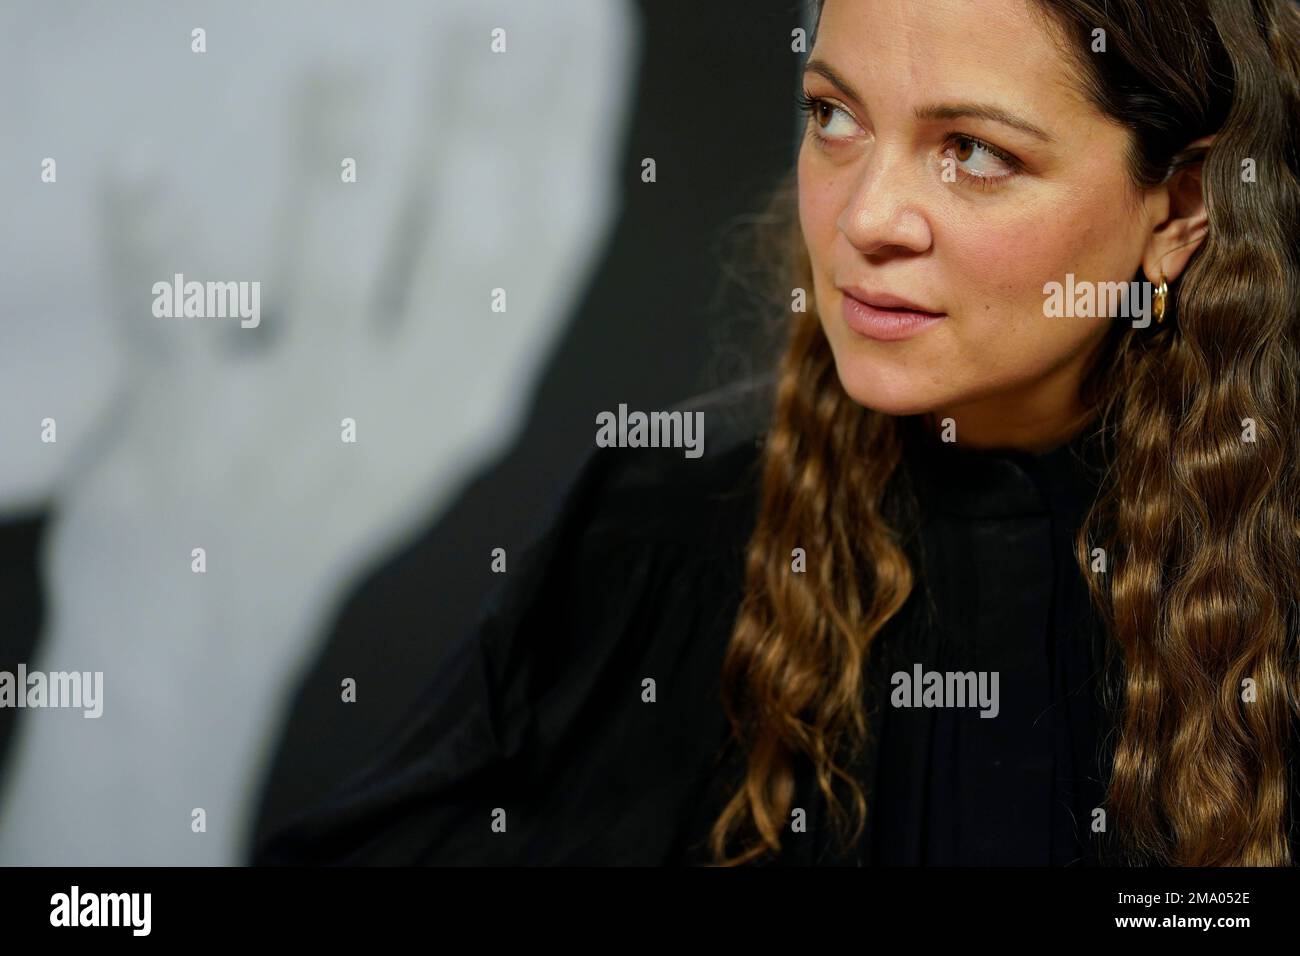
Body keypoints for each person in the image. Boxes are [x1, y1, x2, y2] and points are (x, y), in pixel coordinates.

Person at [253, 0, 1300, 867]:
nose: (865, 218)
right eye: (833, 117)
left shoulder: (1271, 576)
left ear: (1179, 208)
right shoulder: (670, 531)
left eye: (972, 152)